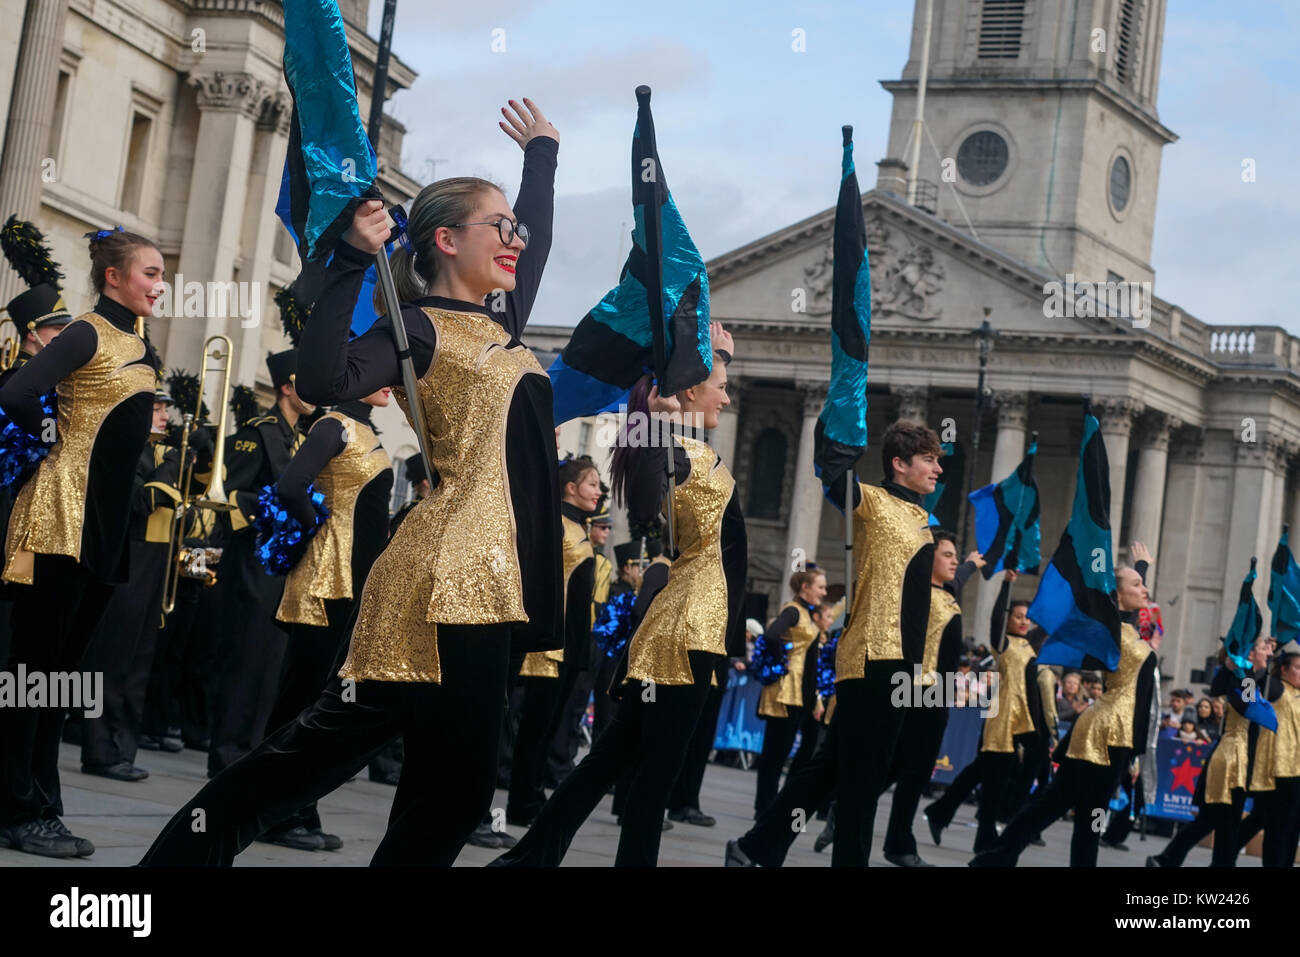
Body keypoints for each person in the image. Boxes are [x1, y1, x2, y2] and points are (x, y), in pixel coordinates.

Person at [140, 98, 562, 867]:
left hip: (488, 583)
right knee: (349, 764)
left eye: (513, 227)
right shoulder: (417, 328)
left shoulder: (505, 323)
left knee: (435, 784)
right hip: (438, 581)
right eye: (497, 226)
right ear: (444, 239)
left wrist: (543, 155)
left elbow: (535, 237)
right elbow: (323, 375)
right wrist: (344, 261)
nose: (514, 238)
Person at [491, 325, 745, 867]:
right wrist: (655, 415)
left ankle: (531, 856)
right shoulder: (671, 452)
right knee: (653, 778)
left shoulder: (692, 451)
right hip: (688, 633)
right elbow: (651, 506)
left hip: (690, 627)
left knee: (610, 763)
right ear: (689, 392)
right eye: (719, 385)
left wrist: (716, 350)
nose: (726, 395)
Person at [0, 226, 162, 858]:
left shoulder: (136, 340)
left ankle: (41, 803)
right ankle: (20, 809)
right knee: (34, 673)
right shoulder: (88, 331)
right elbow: (14, 393)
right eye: (149, 272)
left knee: (60, 677)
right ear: (114, 277)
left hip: (102, 525)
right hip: (61, 519)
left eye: (162, 274)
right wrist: (56, 445)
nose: (160, 284)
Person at [726, 420, 942, 868]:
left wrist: (917, 670)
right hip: (872, 656)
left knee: (829, 771)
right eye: (929, 460)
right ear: (899, 464)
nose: (938, 468)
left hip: (901, 662)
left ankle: (756, 847)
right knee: (863, 778)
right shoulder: (872, 502)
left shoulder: (921, 517)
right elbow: (833, 469)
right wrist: (846, 398)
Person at [257, 386, 395, 851]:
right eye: (383, 375)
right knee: (301, 695)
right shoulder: (332, 425)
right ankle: (270, 807)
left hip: (351, 584)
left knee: (319, 697)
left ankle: (295, 804)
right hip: (324, 581)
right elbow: (291, 486)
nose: (392, 385)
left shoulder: (366, 432)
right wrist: (320, 534)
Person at [970, 564, 1158, 867]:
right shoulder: (1111, 630)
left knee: (1059, 804)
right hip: (1108, 734)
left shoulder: (1129, 631)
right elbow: (1117, 611)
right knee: (1088, 813)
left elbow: (1130, 613)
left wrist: (1140, 571)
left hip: (1109, 731)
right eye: (1137, 585)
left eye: (1143, 585)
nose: (1144, 589)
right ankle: (998, 856)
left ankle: (996, 857)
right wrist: (1135, 570)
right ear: (1119, 594)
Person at [203, 348, 314, 777]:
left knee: (270, 663)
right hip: (254, 561)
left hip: (283, 564)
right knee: (246, 660)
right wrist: (281, 510)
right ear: (286, 388)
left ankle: (251, 749)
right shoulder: (258, 433)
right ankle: (227, 753)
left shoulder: (300, 437)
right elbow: (231, 496)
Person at [78, 388, 182, 782]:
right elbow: (142, 502)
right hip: (129, 552)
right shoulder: (130, 447)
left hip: (156, 559)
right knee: (110, 656)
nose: (163, 414)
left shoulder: (163, 451)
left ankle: (123, 745)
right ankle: (98, 746)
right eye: (154, 407)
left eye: (163, 408)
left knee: (140, 657)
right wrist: (169, 469)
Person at [506, 456, 598, 825]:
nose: (598, 491)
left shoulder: (579, 526)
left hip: (569, 648)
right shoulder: (557, 524)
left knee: (545, 729)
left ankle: (530, 796)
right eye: (592, 483)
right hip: (546, 647)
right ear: (571, 488)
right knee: (531, 728)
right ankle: (521, 801)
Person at [880, 531, 980, 867]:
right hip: (920, 689)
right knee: (914, 770)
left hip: (937, 692)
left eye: (956, 556)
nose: (954, 561)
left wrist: (970, 565)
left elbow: (957, 580)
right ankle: (899, 845)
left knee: (900, 765)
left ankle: (847, 808)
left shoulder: (947, 594)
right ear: (929, 558)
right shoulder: (921, 593)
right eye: (948, 555)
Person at [924, 569, 1041, 853]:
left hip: (1024, 718)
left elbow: (1050, 621)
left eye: (1027, 617)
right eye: (1018, 616)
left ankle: (942, 811)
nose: (1023, 621)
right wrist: (1007, 586)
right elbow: (997, 619)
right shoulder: (1003, 643)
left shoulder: (1029, 644)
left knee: (988, 770)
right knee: (993, 776)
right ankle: (984, 834)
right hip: (1002, 717)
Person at [1145, 636, 1272, 868]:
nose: (1269, 652)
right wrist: (1246, 669)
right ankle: (1170, 860)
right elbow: (1247, 705)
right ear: (1251, 655)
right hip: (1233, 757)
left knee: (1217, 821)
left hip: (1237, 755)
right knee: (1220, 820)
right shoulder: (1243, 679)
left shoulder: (1250, 678)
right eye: (1265, 649)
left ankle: (1168, 860)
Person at [752, 567, 828, 816]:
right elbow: (771, 635)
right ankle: (764, 807)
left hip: (802, 691)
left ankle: (781, 802)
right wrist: (781, 662)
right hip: (785, 690)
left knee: (800, 748)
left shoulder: (807, 612)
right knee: (775, 753)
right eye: (820, 587)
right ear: (805, 588)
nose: (824, 592)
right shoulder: (793, 610)